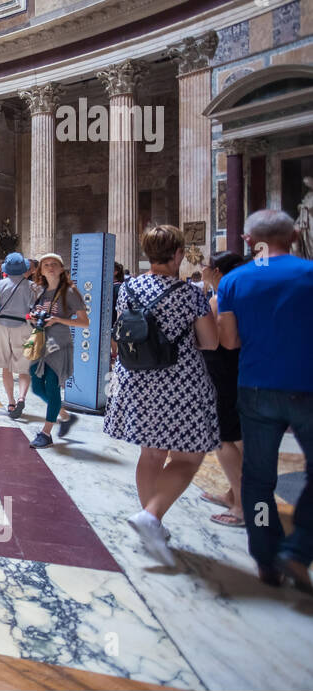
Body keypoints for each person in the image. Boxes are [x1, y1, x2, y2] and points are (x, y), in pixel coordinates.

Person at [103, 226, 218, 567]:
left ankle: (153, 522)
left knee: (151, 454)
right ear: (179, 254)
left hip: (138, 377)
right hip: (179, 381)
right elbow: (210, 342)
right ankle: (151, 516)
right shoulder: (190, 294)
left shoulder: (130, 287)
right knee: (188, 457)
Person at [216, 210, 313, 591]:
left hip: (256, 387)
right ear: (295, 235)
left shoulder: (236, 280)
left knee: (256, 479)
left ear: (246, 238)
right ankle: (299, 548)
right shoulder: (309, 274)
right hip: (307, 387)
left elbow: (230, 341)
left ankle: (265, 555)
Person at [199, 252, 245, 528]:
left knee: (223, 439)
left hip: (222, 373)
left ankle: (241, 505)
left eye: (205, 265)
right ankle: (232, 493)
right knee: (237, 437)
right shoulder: (243, 293)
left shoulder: (221, 298)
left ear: (216, 270)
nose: (202, 269)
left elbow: (223, 341)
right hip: (241, 370)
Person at [25, 252, 89, 448]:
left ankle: (46, 432)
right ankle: (64, 415)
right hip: (40, 343)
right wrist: (34, 318)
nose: (50, 267)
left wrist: (59, 319)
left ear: (62, 269)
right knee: (36, 386)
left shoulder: (70, 292)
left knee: (52, 386)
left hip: (59, 345)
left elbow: (84, 322)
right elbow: (36, 313)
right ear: (41, 271)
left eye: (54, 264)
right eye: (46, 265)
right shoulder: (41, 291)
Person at [0, 252, 35, 419]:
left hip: (2, 326)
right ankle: (22, 397)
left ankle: (11, 402)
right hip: (23, 325)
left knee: (6, 366)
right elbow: (35, 311)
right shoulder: (32, 286)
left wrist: (0, 314)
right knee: (24, 366)